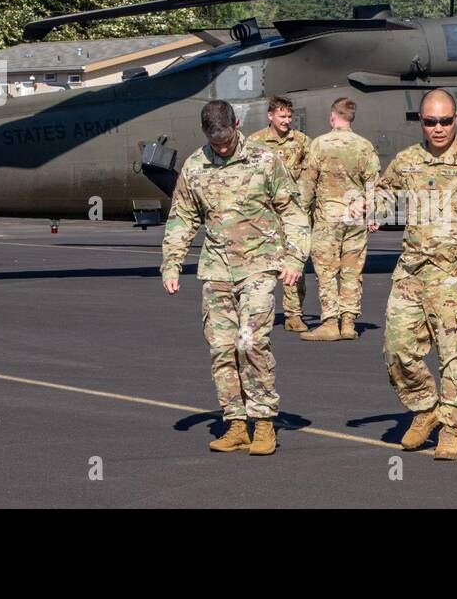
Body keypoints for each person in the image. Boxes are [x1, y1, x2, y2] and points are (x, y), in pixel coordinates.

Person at [351, 89, 457, 461]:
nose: (438, 128)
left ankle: (451, 429)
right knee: (396, 348)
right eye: (430, 121)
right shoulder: (407, 161)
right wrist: (369, 205)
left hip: (456, 276)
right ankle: (426, 407)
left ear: (456, 120)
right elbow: (384, 193)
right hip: (412, 273)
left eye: (445, 121)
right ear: (421, 122)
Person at [160, 100, 310, 456]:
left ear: (237, 124)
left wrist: (294, 257)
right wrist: (172, 263)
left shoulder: (264, 160)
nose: (223, 148)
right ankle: (237, 423)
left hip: (259, 266)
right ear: (205, 133)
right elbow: (183, 218)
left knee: (251, 343)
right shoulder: (195, 167)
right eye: (216, 143)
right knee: (222, 348)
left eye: (227, 140)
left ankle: (264, 424)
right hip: (216, 270)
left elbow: (293, 211)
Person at [298, 98, 380, 341]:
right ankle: (349, 322)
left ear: (333, 115)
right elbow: (374, 183)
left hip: (328, 218)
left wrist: (300, 214)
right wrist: (372, 214)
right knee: (352, 271)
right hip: (355, 218)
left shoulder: (320, 144)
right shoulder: (364, 146)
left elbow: (307, 184)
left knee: (326, 271)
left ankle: (330, 322)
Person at [246, 96, 313, 332]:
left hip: (291, 212)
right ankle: (255, 312)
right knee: (258, 263)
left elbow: (311, 172)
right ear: (270, 116)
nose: (286, 121)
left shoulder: (302, 141)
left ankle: (294, 315)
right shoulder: (255, 142)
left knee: (294, 263)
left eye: (289, 116)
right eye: (282, 116)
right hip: (264, 214)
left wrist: (301, 198)